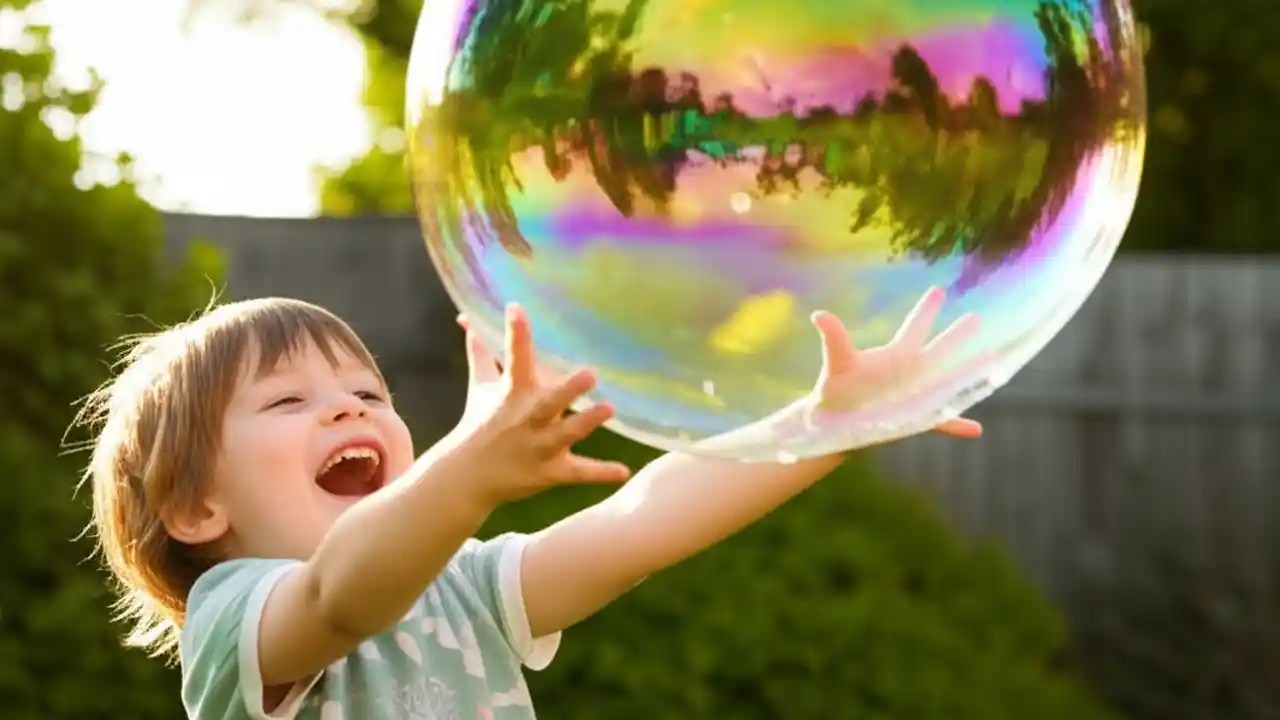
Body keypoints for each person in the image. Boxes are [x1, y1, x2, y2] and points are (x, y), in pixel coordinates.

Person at [79, 287, 981, 720]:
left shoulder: (461, 591)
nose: (350, 407)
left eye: (367, 391)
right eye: (288, 402)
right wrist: (466, 468)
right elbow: (338, 598)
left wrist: (827, 424)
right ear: (198, 510)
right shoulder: (231, 619)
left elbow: (640, 526)